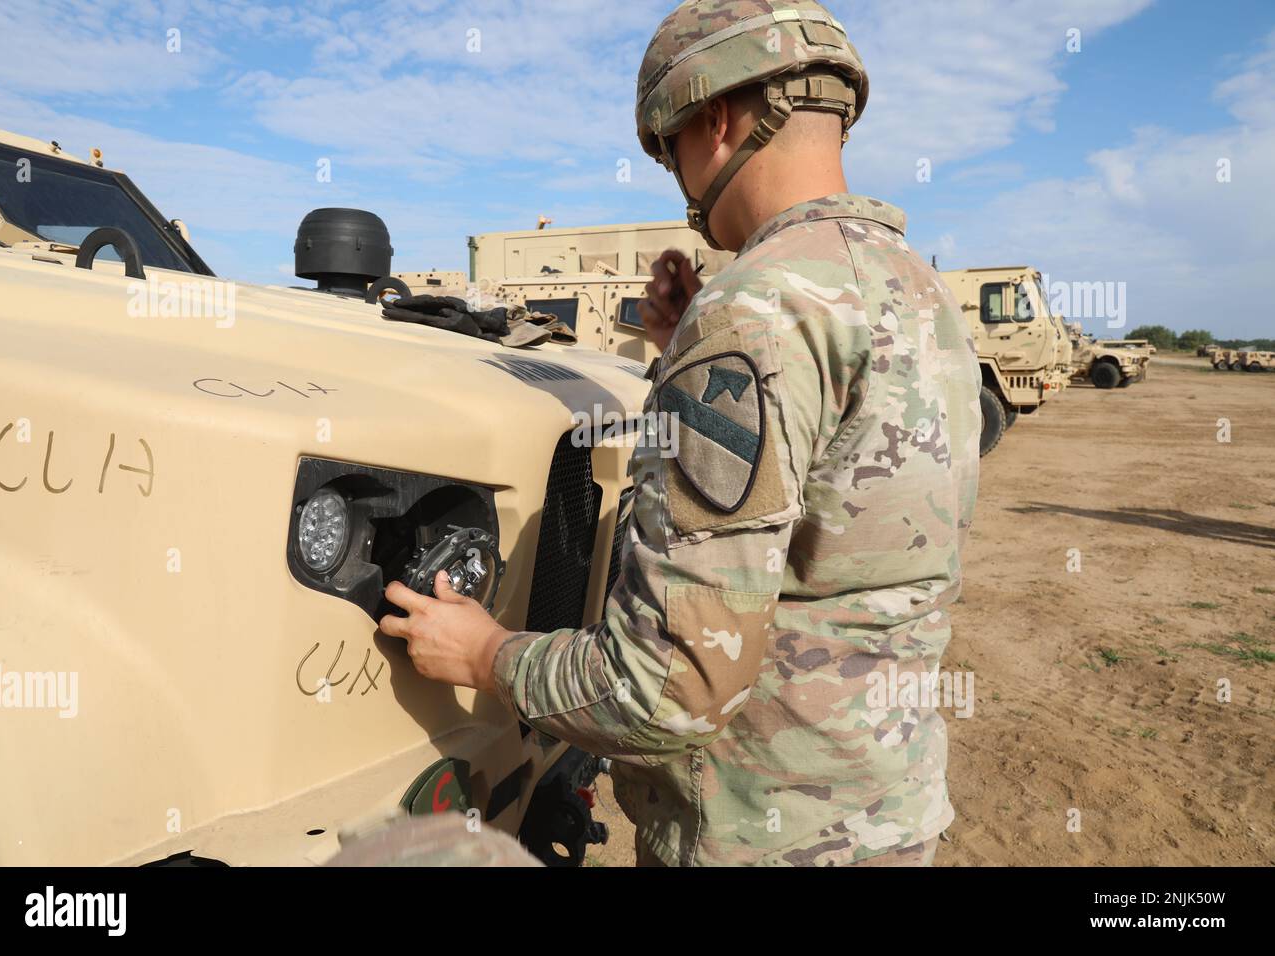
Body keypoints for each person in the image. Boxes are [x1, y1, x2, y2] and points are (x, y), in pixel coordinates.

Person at [380, 0, 981, 866]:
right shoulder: (916, 288)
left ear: (716, 118)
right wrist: (687, 354)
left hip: (759, 834)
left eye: (672, 156)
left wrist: (487, 655)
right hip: (881, 813)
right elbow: (848, 529)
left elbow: (669, 687)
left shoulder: (756, 311)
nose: (684, 187)